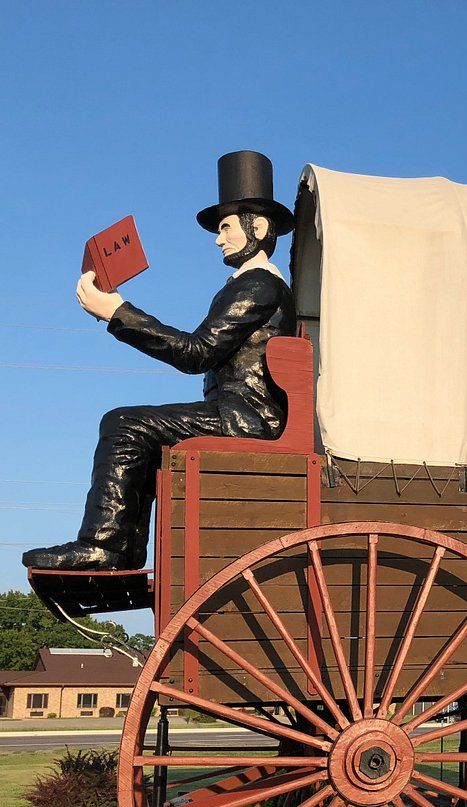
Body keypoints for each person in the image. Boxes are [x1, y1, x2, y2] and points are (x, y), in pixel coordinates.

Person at [23, 151, 296, 570]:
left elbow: (196, 353)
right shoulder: (250, 285)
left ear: (257, 227)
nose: (218, 239)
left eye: (225, 227)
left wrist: (118, 313)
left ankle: (104, 545)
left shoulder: (258, 285)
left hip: (245, 419)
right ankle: (121, 549)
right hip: (237, 414)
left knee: (125, 423)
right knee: (139, 430)